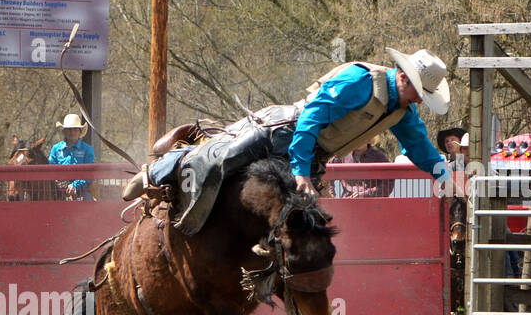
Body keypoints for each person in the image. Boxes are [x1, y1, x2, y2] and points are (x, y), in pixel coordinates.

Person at [133, 48, 454, 235]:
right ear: (403, 77)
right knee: (222, 156)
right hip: (284, 130)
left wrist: (445, 174)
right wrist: (300, 171)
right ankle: (157, 172)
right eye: (419, 92)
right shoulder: (360, 82)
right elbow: (312, 118)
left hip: (313, 155)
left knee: (303, 229)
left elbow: (419, 148)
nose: (421, 101)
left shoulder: (403, 112)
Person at [48, 113, 96, 200]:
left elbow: (89, 174)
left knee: (89, 206)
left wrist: (75, 185)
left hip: (82, 190)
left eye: (75, 129)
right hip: (57, 190)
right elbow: (49, 169)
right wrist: (57, 181)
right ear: (64, 131)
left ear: (80, 131)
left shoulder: (87, 149)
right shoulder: (56, 148)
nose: (72, 132)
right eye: (69, 129)